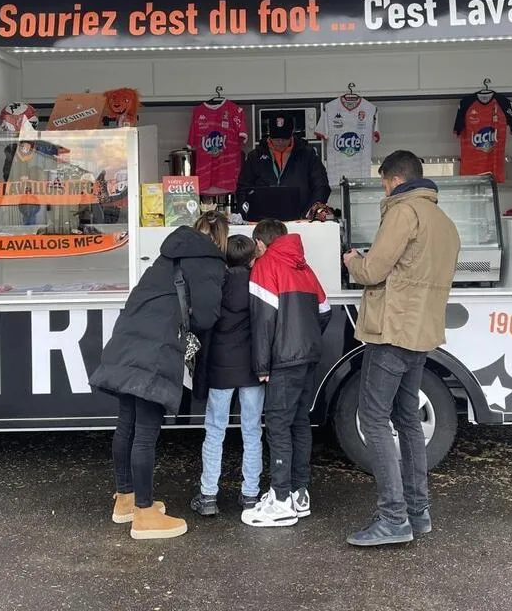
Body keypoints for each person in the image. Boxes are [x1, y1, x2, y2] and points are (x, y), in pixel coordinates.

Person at [342, 150, 461, 547]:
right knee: (407, 418)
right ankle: (417, 510)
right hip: (422, 332)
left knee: (374, 418)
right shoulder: (443, 221)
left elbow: (374, 270)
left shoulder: (403, 212)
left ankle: (393, 518)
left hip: (392, 331)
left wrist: (352, 261)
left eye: (383, 182)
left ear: (392, 180)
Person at [89, 210, 228, 540]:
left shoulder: (167, 256)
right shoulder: (211, 263)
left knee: (127, 423)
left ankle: (126, 499)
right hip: (157, 349)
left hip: (126, 340)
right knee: (146, 432)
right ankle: (145, 514)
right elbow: (207, 318)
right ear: (220, 239)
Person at [241, 218, 331, 527]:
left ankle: (279, 501)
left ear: (261, 244)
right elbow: (325, 310)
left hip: (282, 361)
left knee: (278, 425)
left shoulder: (266, 265)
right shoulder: (304, 267)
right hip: (308, 358)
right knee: (299, 423)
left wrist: (262, 365)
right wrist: (307, 340)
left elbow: (263, 321)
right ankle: (299, 493)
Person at [190, 234, 266, 516]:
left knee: (214, 431)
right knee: (252, 431)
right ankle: (250, 495)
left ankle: (208, 495)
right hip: (252, 368)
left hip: (220, 369)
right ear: (251, 257)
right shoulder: (259, 284)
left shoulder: (215, 286)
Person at [235, 112, 331, 219]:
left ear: (291, 134)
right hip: (262, 222)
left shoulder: (308, 155)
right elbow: (243, 188)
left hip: (301, 219)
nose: (280, 142)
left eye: (284, 138)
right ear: (269, 134)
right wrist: (244, 214)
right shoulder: (255, 157)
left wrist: (310, 212)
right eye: (276, 138)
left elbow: (321, 186)